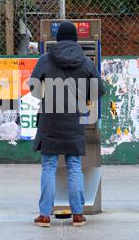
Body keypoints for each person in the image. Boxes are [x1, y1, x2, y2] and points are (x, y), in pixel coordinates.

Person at [29, 21, 105, 228]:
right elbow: (100, 89)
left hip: (50, 120)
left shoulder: (46, 58)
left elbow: (33, 88)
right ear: (75, 40)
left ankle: (44, 215)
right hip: (74, 119)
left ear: (58, 39)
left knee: (49, 167)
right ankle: (78, 215)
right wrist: (84, 96)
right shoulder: (85, 61)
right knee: (73, 167)